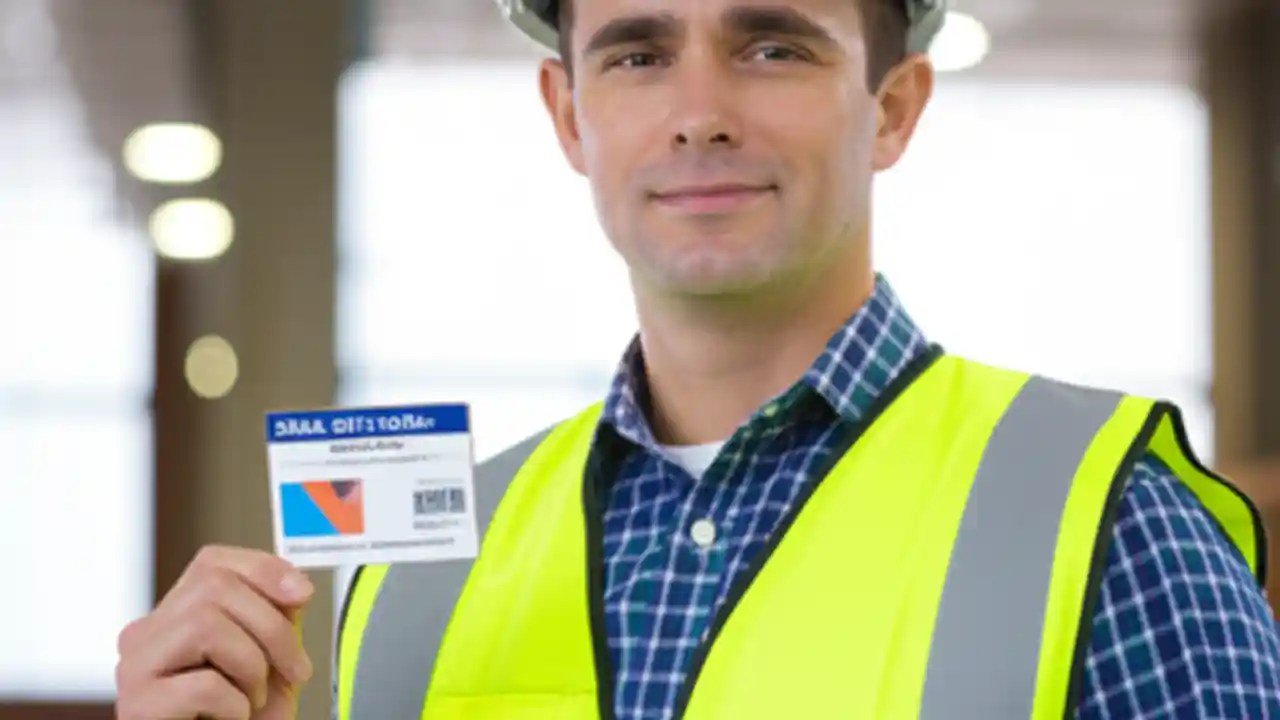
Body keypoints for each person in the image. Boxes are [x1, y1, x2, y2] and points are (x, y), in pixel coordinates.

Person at [114, 0, 1280, 717]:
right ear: (568, 116)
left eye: (769, 45)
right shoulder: (422, 569)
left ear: (891, 108)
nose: (698, 112)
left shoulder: (1107, 518)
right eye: (635, 55)